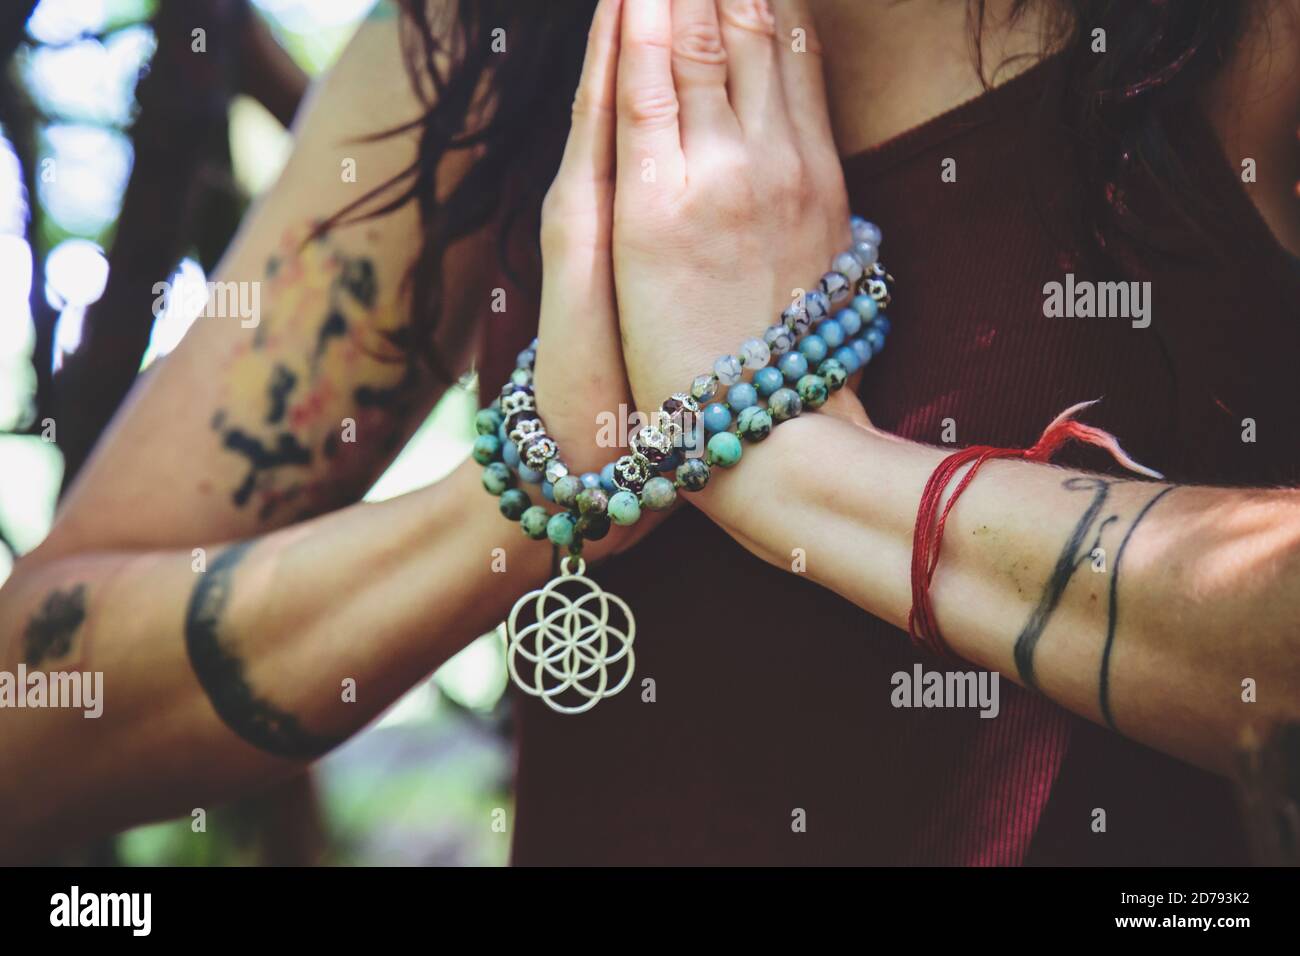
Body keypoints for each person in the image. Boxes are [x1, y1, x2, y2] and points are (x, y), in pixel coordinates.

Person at [1, 0, 1297, 865]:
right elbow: (34, 715)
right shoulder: (479, 48)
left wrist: (798, 473)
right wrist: (540, 487)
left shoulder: (1235, 46)